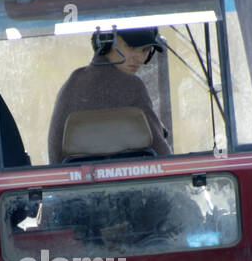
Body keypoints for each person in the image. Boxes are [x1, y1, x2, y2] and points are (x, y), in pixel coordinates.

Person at [46, 28, 172, 164]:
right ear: (106, 43)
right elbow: (162, 155)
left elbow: (55, 156)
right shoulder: (132, 85)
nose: (140, 58)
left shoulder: (72, 83)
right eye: (131, 47)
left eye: (145, 50)